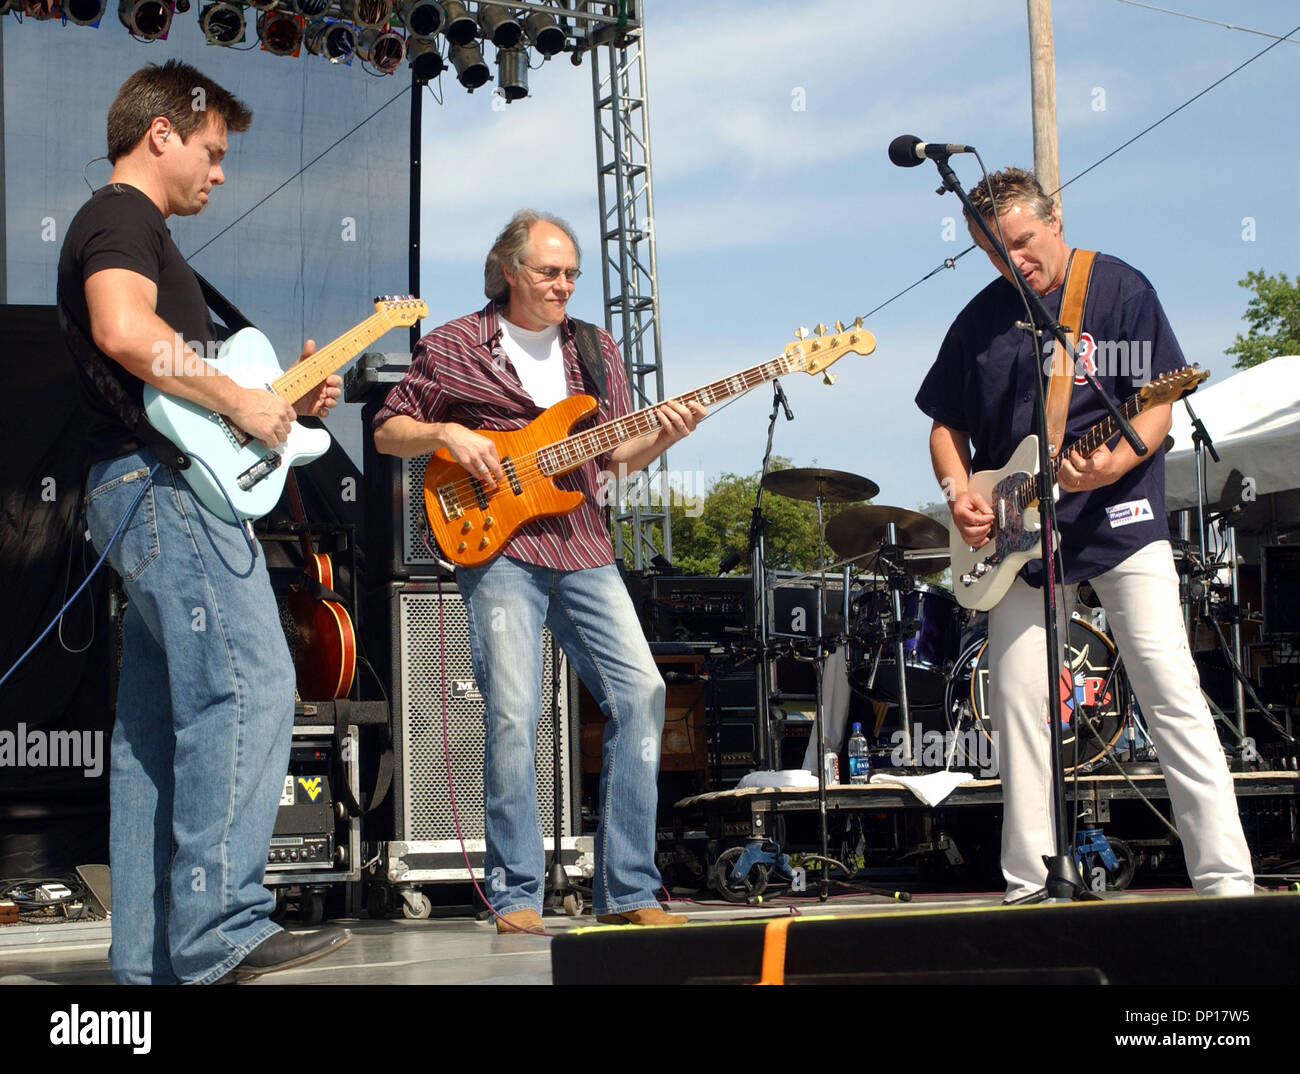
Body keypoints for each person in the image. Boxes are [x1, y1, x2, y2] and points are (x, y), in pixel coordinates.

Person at [57, 61, 349, 983]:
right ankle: (221, 929)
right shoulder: (120, 218)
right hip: (164, 490)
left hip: (143, 485)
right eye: (212, 152)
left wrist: (284, 405)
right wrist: (237, 396)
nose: (219, 174)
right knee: (249, 685)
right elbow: (122, 329)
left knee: (156, 734)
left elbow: (183, 375)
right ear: (161, 134)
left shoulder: (142, 234)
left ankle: (149, 965)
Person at [915, 167, 1254, 901]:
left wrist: (1113, 464)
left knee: (1170, 688)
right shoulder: (979, 321)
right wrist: (959, 493)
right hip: (1015, 540)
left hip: (1121, 521)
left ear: (1055, 218)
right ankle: (1030, 883)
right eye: (995, 251)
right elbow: (946, 422)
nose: (1015, 262)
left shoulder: (1119, 289)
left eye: (1024, 243)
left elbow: (1159, 401)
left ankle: (1227, 884)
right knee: (1017, 706)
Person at [373, 210, 705, 930]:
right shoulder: (455, 344)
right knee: (514, 715)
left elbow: (614, 457)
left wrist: (666, 432)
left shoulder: (594, 347)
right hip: (496, 547)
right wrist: (448, 434)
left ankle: (631, 891)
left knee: (643, 696)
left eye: (572, 274)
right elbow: (388, 430)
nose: (564, 285)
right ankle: (517, 894)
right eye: (550, 272)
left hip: (583, 543)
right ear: (510, 271)